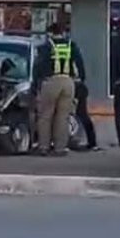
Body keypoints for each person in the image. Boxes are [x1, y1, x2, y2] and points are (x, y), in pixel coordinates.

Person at [34, 22, 85, 156]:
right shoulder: (71, 45)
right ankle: (60, 148)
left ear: (50, 33)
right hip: (68, 82)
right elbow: (80, 64)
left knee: (46, 116)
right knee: (63, 117)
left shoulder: (46, 46)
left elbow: (38, 66)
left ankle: (44, 147)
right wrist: (80, 81)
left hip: (51, 81)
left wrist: (36, 84)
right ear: (62, 32)